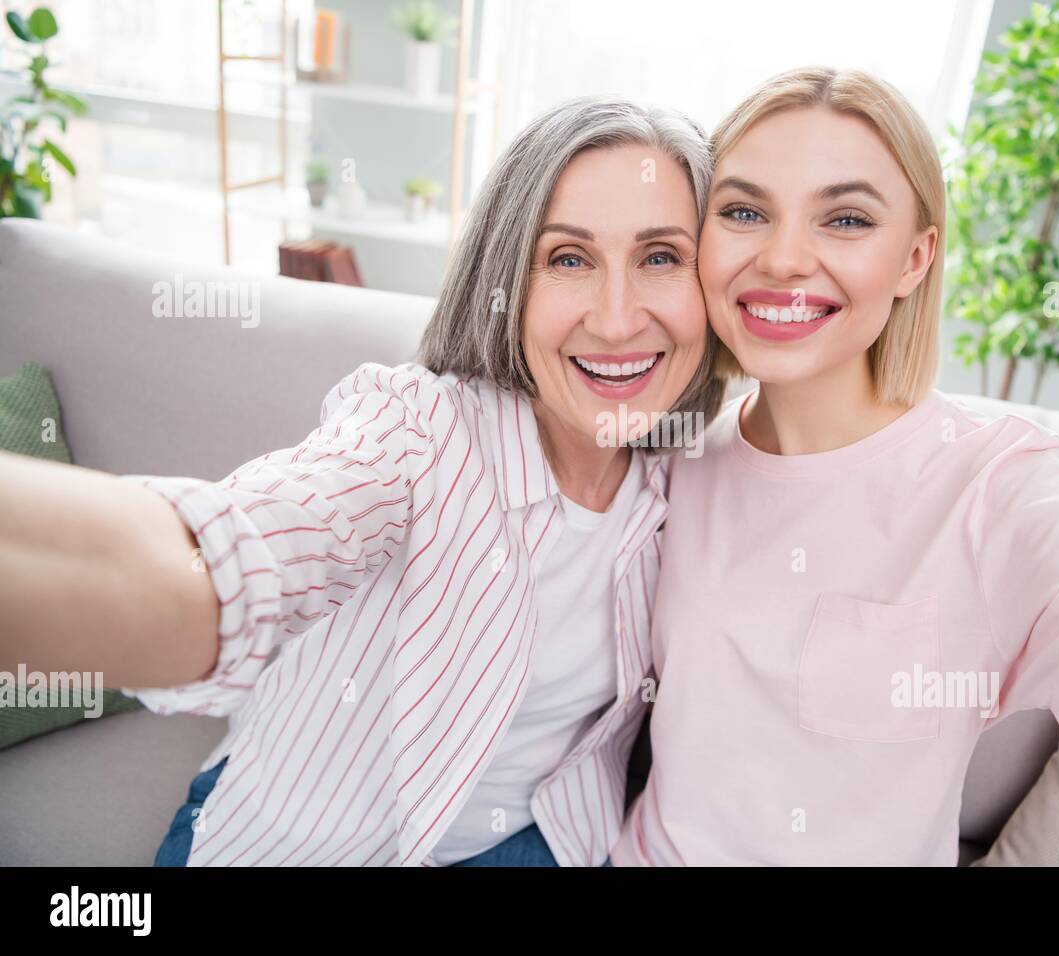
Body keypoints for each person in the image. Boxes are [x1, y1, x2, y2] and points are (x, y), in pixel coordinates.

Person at [0, 97, 723, 866]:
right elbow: (249, 548)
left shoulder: (690, 480)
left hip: (539, 839)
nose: (616, 321)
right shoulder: (415, 431)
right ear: (504, 282)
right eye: (569, 259)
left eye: (661, 257)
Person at [613, 67, 1059, 866]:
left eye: (845, 218)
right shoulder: (673, 455)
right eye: (743, 211)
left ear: (914, 259)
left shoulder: (1004, 484)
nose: (783, 258)